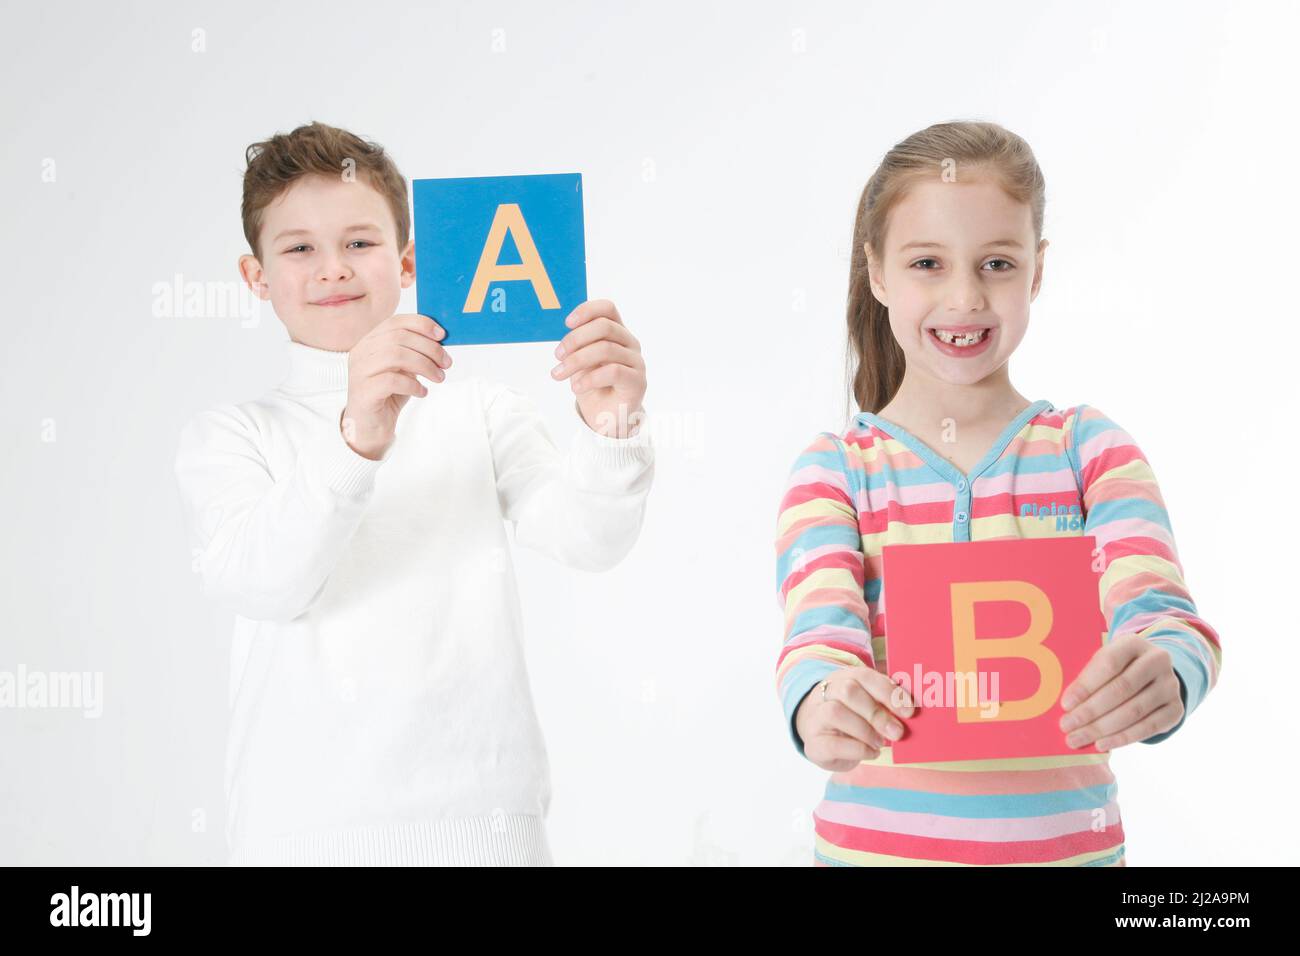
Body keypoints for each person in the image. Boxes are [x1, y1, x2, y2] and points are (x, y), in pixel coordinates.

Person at [173, 121, 654, 865]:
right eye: (299, 248)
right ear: (256, 276)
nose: (332, 269)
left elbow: (589, 539)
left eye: (359, 243)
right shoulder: (231, 435)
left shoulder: (478, 411)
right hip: (301, 837)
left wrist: (610, 423)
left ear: (406, 262)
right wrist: (356, 435)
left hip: (488, 828)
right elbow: (266, 582)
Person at [773, 120, 1221, 867]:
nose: (964, 296)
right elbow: (817, 641)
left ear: (1036, 272)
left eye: (997, 264)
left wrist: (1166, 671)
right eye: (926, 263)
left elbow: (1166, 618)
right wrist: (821, 703)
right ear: (878, 274)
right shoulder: (836, 472)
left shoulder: (1092, 451)